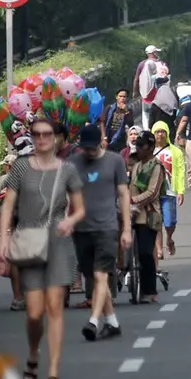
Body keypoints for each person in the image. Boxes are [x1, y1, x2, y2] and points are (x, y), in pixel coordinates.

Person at [0, 116, 85, 379]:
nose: (42, 139)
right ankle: (34, 353)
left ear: (56, 138)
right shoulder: (21, 168)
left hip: (59, 243)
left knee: (55, 307)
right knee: (34, 312)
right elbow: (8, 206)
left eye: (47, 134)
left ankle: (54, 370)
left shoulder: (68, 170)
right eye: (37, 134)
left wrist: (70, 221)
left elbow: (80, 207)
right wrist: (3, 238)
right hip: (29, 241)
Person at [69, 126, 131, 341]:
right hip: (81, 229)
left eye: (92, 148)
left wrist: (126, 229)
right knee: (93, 278)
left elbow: (123, 194)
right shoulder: (73, 163)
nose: (88, 152)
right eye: (84, 148)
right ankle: (112, 322)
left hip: (107, 227)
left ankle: (93, 321)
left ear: (101, 143)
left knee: (100, 274)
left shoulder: (115, 161)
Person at [128, 130, 165, 298]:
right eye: (137, 145)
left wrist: (134, 201)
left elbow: (153, 192)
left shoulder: (156, 166)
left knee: (145, 252)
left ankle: (149, 291)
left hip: (149, 214)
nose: (139, 149)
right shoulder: (136, 165)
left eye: (142, 146)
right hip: (131, 213)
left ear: (150, 147)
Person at [151, 120, 185, 262]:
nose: (160, 135)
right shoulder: (149, 150)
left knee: (170, 222)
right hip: (152, 194)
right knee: (156, 222)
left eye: (163, 132)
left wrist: (181, 191)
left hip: (169, 192)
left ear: (167, 133)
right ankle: (159, 250)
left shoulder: (175, 151)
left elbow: (181, 171)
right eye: (157, 132)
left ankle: (169, 239)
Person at [138, 44, 178, 131]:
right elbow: (167, 78)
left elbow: (137, 78)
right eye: (156, 52)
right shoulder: (162, 64)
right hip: (159, 96)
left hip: (147, 95)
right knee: (159, 114)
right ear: (152, 53)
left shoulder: (142, 64)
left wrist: (136, 92)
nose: (157, 54)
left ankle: (148, 130)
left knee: (147, 114)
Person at [100, 88, 134, 153]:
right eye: (120, 96)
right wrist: (104, 138)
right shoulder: (109, 108)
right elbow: (102, 123)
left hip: (120, 141)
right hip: (108, 139)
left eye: (124, 97)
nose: (122, 98)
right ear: (116, 97)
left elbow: (131, 124)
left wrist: (126, 111)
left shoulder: (129, 110)